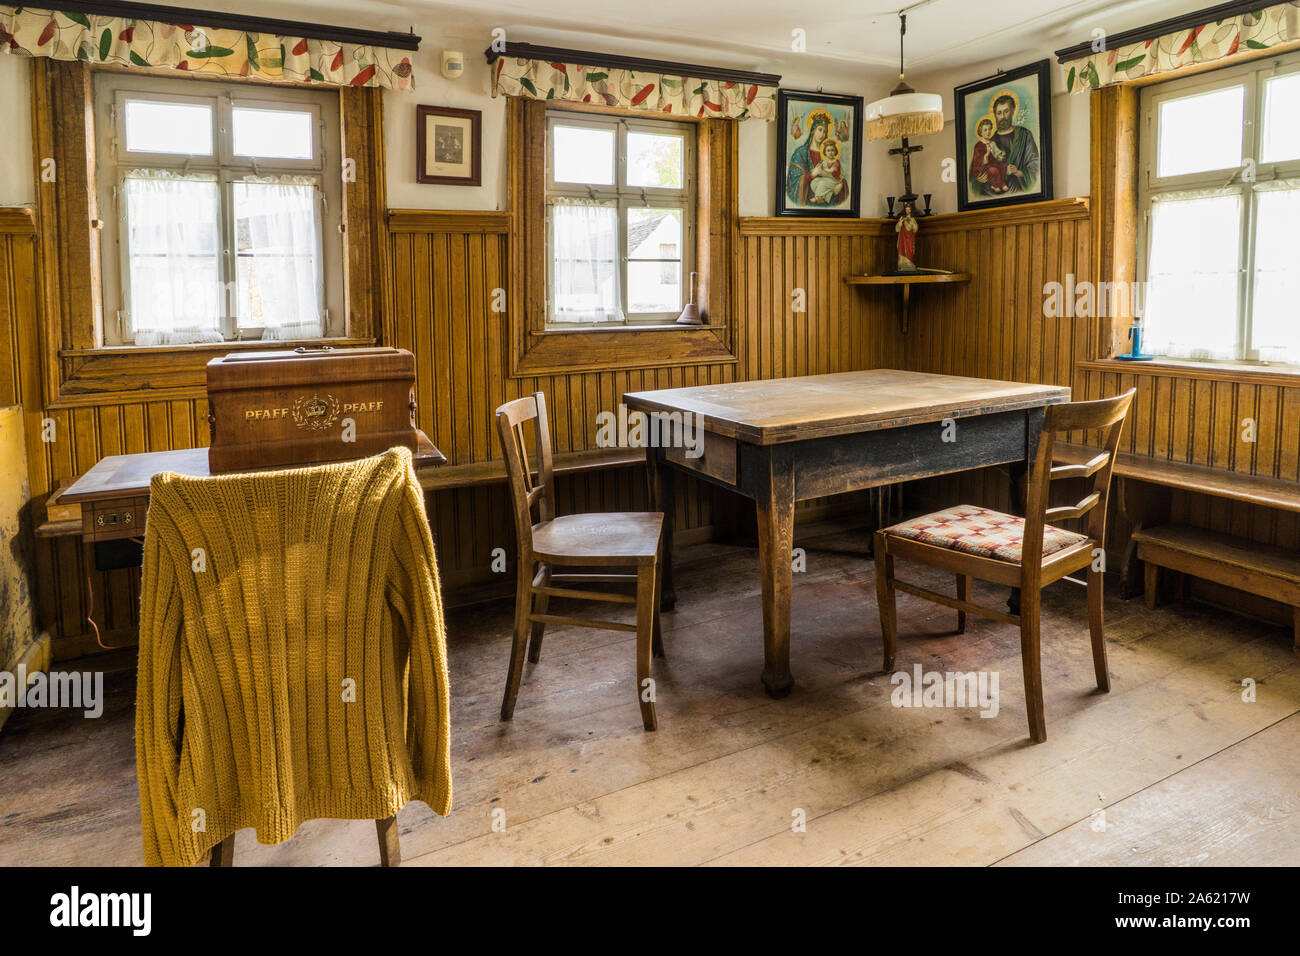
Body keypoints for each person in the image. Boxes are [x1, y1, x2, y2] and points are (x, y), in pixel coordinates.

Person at [971, 91, 1040, 196]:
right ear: (995, 115)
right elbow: (974, 171)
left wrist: (1018, 172)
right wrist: (979, 178)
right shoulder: (989, 140)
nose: (1003, 116)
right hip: (991, 196)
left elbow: (1035, 164)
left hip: (1018, 194)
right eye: (999, 113)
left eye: (1006, 111)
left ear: (1013, 111)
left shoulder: (1024, 135)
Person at [969, 117, 1008, 193]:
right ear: (981, 132)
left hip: (994, 163)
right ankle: (1000, 184)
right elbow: (977, 161)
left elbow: (997, 154)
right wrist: (986, 155)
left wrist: (1001, 154)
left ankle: (996, 185)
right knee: (993, 170)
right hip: (984, 167)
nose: (988, 132)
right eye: (985, 130)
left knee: (1003, 165)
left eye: (989, 129)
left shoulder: (992, 143)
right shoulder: (978, 145)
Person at [809, 139, 846, 204]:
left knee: (822, 183)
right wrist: (816, 169)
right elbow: (819, 169)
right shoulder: (824, 161)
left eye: (832, 150)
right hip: (826, 179)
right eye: (828, 150)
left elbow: (831, 170)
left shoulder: (836, 162)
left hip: (834, 180)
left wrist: (823, 169)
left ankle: (818, 197)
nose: (830, 152)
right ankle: (824, 197)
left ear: (835, 152)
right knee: (814, 182)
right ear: (825, 152)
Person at [896, 203, 918, 272]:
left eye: (908, 210)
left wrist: (912, 224)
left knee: (910, 251)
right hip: (902, 239)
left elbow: (915, 229)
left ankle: (909, 264)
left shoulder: (913, 219)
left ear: (911, 210)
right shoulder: (902, 219)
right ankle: (902, 265)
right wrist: (899, 223)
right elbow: (897, 229)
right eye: (906, 210)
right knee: (901, 250)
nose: (907, 211)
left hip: (910, 239)